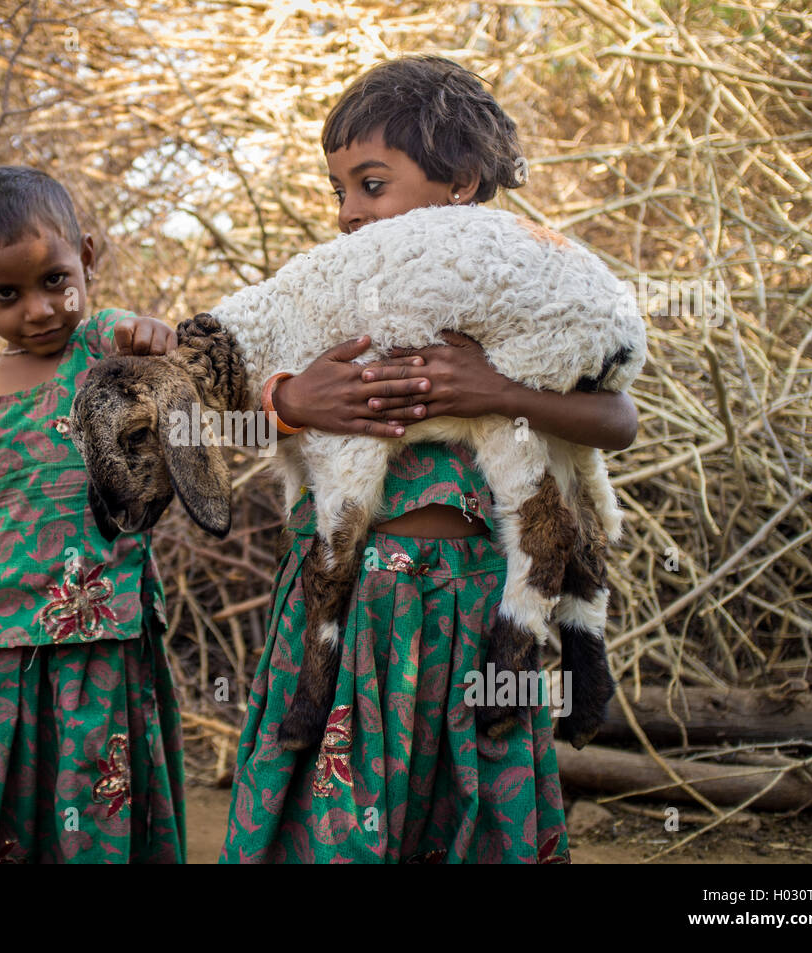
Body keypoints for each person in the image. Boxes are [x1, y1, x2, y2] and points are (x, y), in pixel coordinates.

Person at [220, 55, 639, 863]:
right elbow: (221, 418)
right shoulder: (331, 296)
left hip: (479, 614)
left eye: (371, 185)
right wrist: (289, 401)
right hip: (356, 614)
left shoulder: (531, 284)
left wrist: (497, 387)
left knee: (476, 801)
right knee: (335, 813)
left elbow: (615, 420)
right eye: (337, 189)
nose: (347, 212)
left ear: (461, 181)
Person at [0, 166, 184, 863]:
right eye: (6, 295)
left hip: (101, 634)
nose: (39, 310)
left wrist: (148, 333)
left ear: (88, 260)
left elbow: (131, 331)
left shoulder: (100, 351)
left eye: (56, 281)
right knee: (0, 802)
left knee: (98, 803)